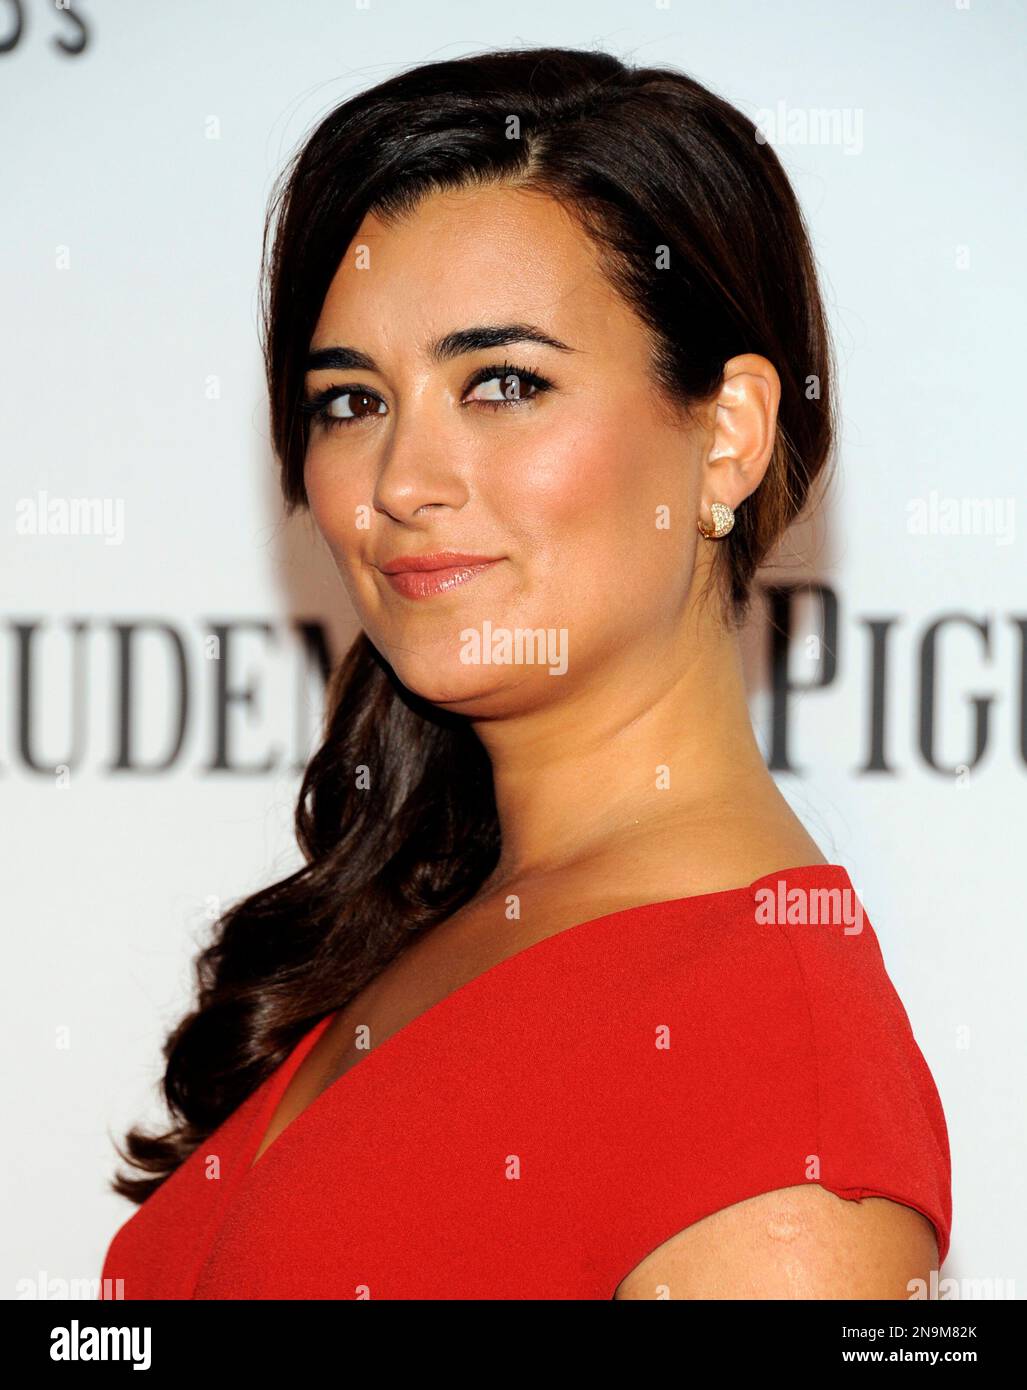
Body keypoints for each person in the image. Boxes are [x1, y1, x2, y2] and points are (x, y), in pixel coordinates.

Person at [101, 45, 951, 1300]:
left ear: (725, 439)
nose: (399, 483)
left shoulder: (776, 1085)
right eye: (349, 401)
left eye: (502, 382)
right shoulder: (421, 915)